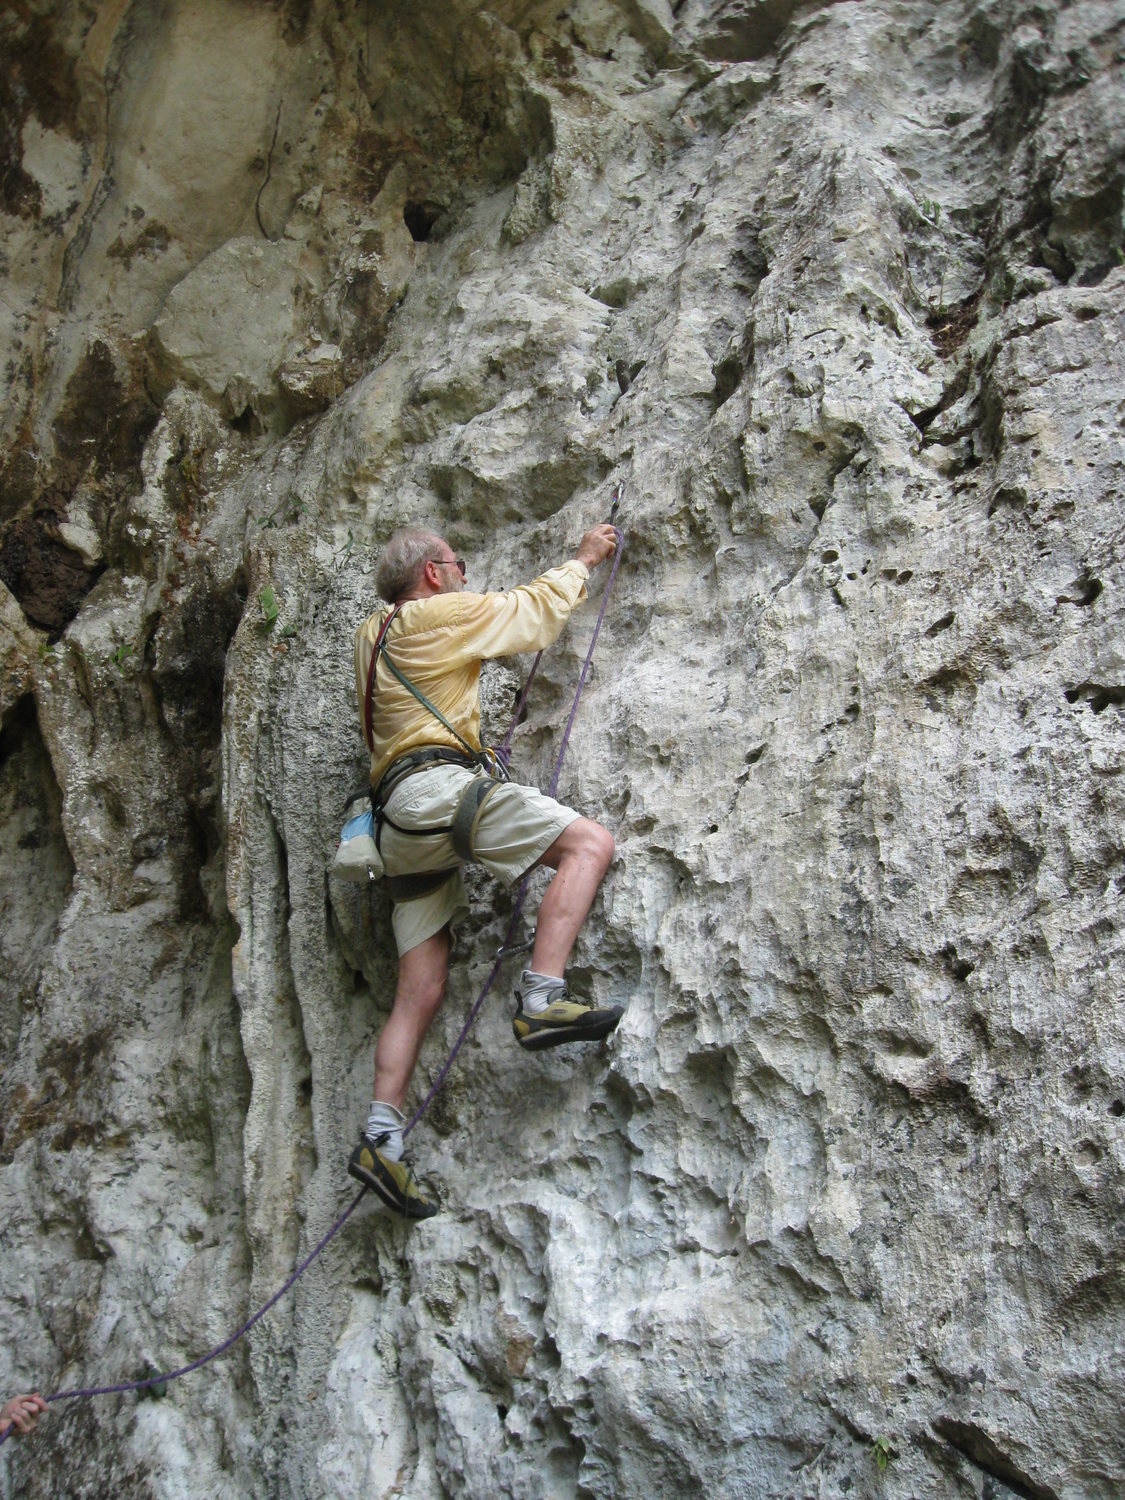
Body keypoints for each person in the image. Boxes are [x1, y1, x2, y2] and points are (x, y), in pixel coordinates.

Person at [347, 522, 623, 1218]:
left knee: (419, 988)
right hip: (437, 795)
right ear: (432, 573)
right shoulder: (437, 614)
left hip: (395, 827)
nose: (463, 573)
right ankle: (541, 997)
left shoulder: (371, 634)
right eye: (457, 563)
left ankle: (380, 1138)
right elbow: (531, 615)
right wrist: (583, 560)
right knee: (589, 845)